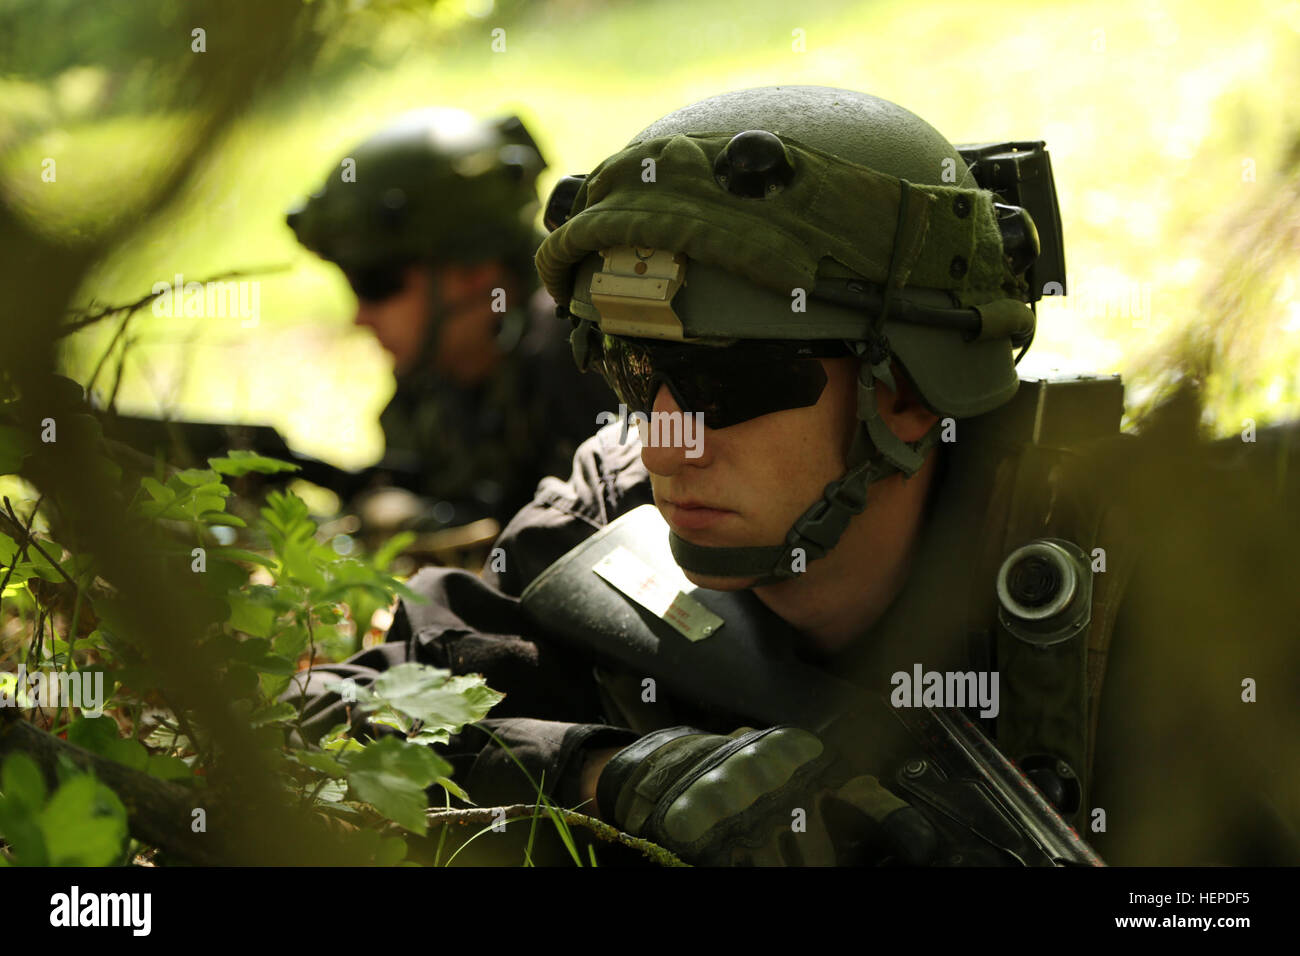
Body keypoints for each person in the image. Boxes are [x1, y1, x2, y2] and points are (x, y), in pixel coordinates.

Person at [289, 87, 1300, 866]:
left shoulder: (1177, 561)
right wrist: (605, 774)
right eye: (632, 373)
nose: (666, 437)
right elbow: (320, 727)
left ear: (903, 391)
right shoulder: (603, 521)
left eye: (727, 379)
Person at [285, 108, 613, 532]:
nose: (361, 318)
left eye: (376, 283)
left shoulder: (578, 357)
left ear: (474, 270)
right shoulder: (441, 363)